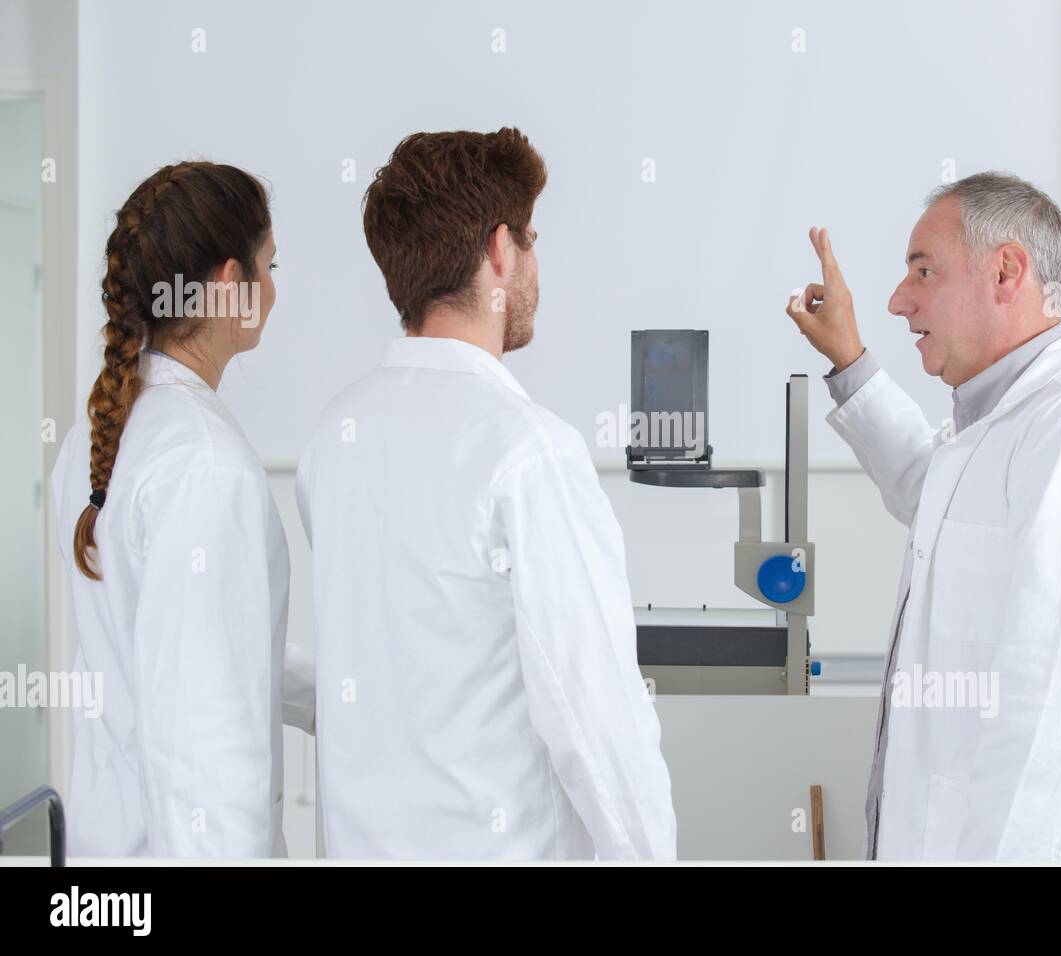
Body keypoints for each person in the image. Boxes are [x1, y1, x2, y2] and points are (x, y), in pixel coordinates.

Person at [298, 128, 676, 860]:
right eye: (530, 239)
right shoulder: (528, 452)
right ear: (500, 250)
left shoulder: (334, 438)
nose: (535, 263)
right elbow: (598, 725)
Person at [786, 172, 1061, 861]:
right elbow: (926, 491)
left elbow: (1051, 711)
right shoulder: (992, 430)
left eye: (923, 271)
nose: (899, 301)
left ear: (1005, 273)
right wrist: (849, 358)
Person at [51, 161, 315, 857]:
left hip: (111, 850)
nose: (274, 287)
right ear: (232, 284)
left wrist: (344, 694)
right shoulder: (204, 464)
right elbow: (204, 744)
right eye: (270, 264)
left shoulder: (93, 437)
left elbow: (191, 642)